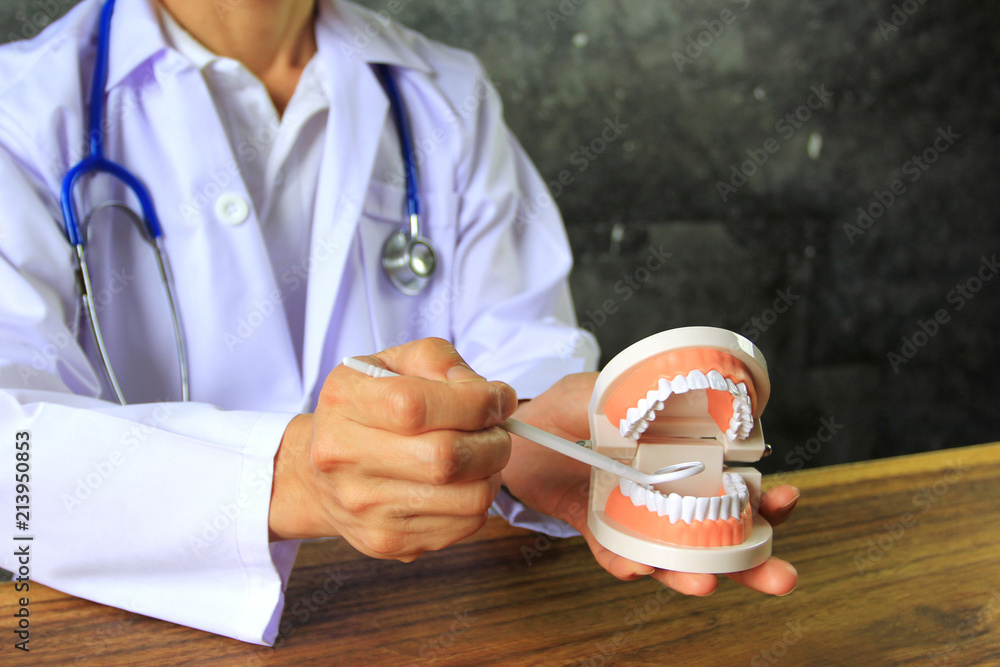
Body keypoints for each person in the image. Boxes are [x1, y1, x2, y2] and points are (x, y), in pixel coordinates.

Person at [0, 0, 799, 645]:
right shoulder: (22, 111)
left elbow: (523, 343)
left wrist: (534, 436)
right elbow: (13, 463)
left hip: (421, 625)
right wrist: (290, 477)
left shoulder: (445, 94)